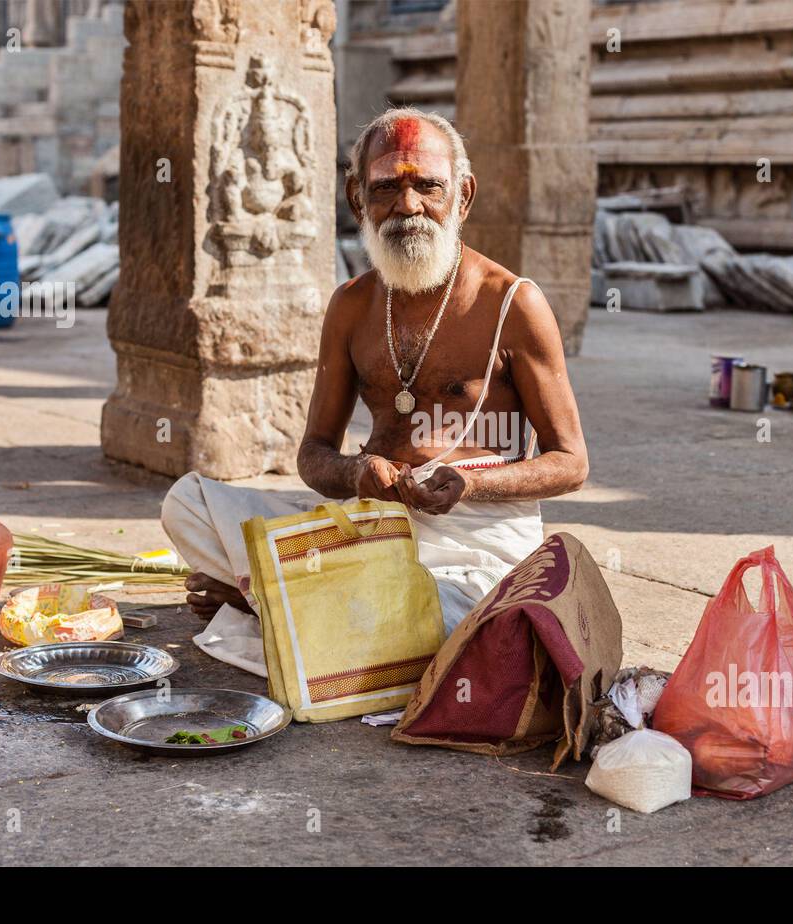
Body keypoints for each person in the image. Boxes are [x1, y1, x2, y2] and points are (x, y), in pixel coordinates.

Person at [161, 107, 588, 673]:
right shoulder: (351, 306)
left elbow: (570, 462)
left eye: (427, 187)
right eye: (387, 187)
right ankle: (297, 605)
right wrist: (354, 474)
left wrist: (470, 481)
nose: (408, 206)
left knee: (441, 618)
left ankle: (274, 602)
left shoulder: (513, 303)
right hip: (370, 523)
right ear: (357, 199)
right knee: (188, 503)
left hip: (475, 541)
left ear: (462, 196)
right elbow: (314, 455)